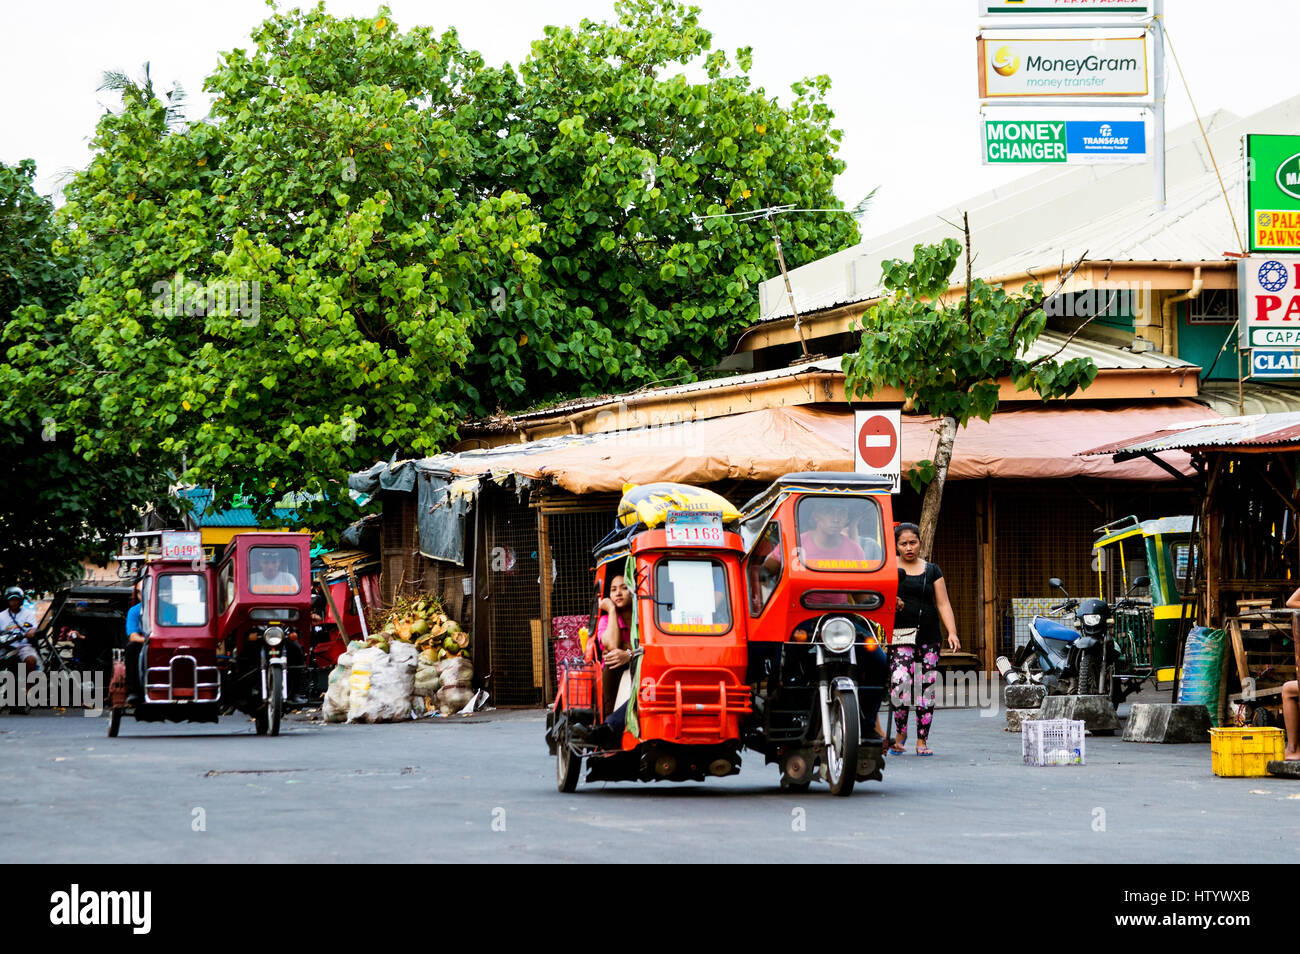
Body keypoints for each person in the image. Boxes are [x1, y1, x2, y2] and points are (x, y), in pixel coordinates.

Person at [889, 523, 959, 757]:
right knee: (899, 683)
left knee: (924, 688)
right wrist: (893, 599)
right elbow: (878, 596)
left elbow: (943, 602)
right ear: (896, 545)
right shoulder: (888, 568)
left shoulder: (932, 570)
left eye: (913, 542)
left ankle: (921, 739)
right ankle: (900, 732)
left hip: (929, 636)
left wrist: (952, 631)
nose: (909, 548)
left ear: (920, 542)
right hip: (900, 635)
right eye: (903, 544)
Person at [572, 574, 634, 749]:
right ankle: (608, 724)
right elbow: (612, 645)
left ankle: (608, 728)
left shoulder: (644, 618)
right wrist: (612, 610)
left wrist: (629, 654)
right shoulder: (606, 620)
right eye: (613, 590)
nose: (618, 593)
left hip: (644, 671)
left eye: (623, 587)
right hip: (616, 674)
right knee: (614, 661)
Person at [2, 586, 41, 682]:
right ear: (7, 601)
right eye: (11, 600)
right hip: (5, 647)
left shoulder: (28, 614)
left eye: (16, 600)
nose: (14, 602)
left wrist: (30, 633)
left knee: (31, 659)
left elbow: (33, 629)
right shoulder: (1, 616)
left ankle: (28, 690)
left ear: (21, 601)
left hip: (23, 646)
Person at [124, 581, 145, 706]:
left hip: (169, 642)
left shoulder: (169, 608)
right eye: (139, 592)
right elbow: (133, 636)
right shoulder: (134, 611)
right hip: (146, 642)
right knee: (132, 648)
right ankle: (134, 691)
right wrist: (148, 640)